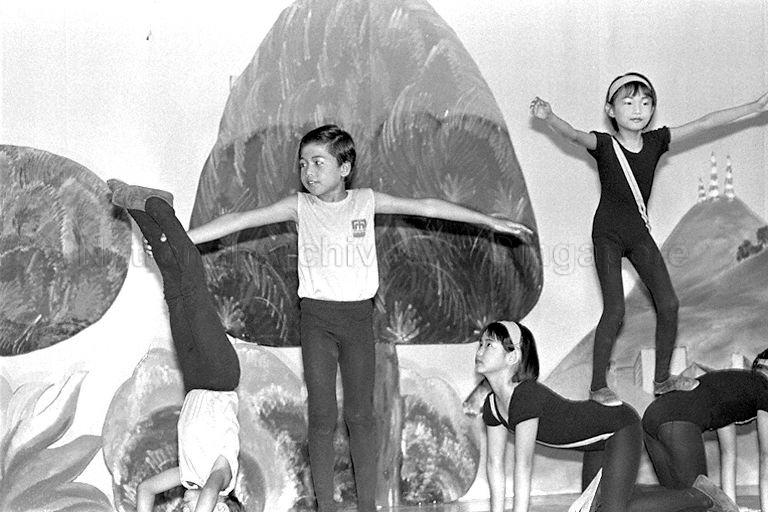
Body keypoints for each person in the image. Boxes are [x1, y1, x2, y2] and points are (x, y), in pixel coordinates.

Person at [182, 124, 533, 512]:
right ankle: (326, 508)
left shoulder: (365, 201)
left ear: (345, 166)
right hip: (316, 319)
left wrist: (488, 221)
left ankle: (368, 507)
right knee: (321, 416)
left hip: (357, 320)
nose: (308, 172)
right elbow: (241, 220)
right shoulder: (299, 206)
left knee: (361, 415)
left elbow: (428, 206)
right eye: (303, 164)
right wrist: (184, 238)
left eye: (318, 163)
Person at [530, 73, 768, 406]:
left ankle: (661, 380)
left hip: (638, 233)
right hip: (608, 235)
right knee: (615, 310)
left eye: (645, 102)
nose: (637, 109)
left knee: (669, 304)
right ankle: (598, 386)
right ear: (611, 110)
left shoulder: (656, 142)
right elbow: (572, 135)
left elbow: (704, 124)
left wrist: (753, 107)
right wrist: (549, 117)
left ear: (653, 108)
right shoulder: (604, 144)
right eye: (628, 102)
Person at [476, 320, 739, 512]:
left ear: (513, 356)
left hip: (619, 426)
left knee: (614, 511)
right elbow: (494, 466)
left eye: (489, 344)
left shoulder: (525, 395)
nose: (479, 350)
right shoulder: (492, 405)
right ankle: (685, 495)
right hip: (597, 441)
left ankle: (703, 495)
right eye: (480, 343)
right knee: (596, 509)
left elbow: (522, 467)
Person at [107, 181, 242, 512]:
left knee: (176, 294)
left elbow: (147, 488)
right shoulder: (222, 477)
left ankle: (139, 209)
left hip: (195, 381)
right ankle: (160, 209)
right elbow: (209, 494)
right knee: (194, 290)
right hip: (221, 375)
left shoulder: (188, 475)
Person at [642, 350, 768, 510]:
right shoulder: (764, 388)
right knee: (699, 503)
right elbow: (766, 457)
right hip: (678, 420)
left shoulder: (733, 385)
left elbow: (728, 454)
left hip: (652, 416)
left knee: (678, 503)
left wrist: (731, 509)